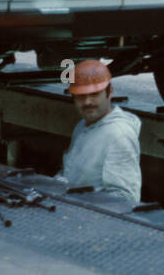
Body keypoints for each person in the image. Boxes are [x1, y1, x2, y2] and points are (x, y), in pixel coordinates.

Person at [57, 59, 142, 205]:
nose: (87, 102)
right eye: (81, 96)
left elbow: (125, 199)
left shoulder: (119, 135)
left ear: (110, 92)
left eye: (94, 94)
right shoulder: (83, 125)